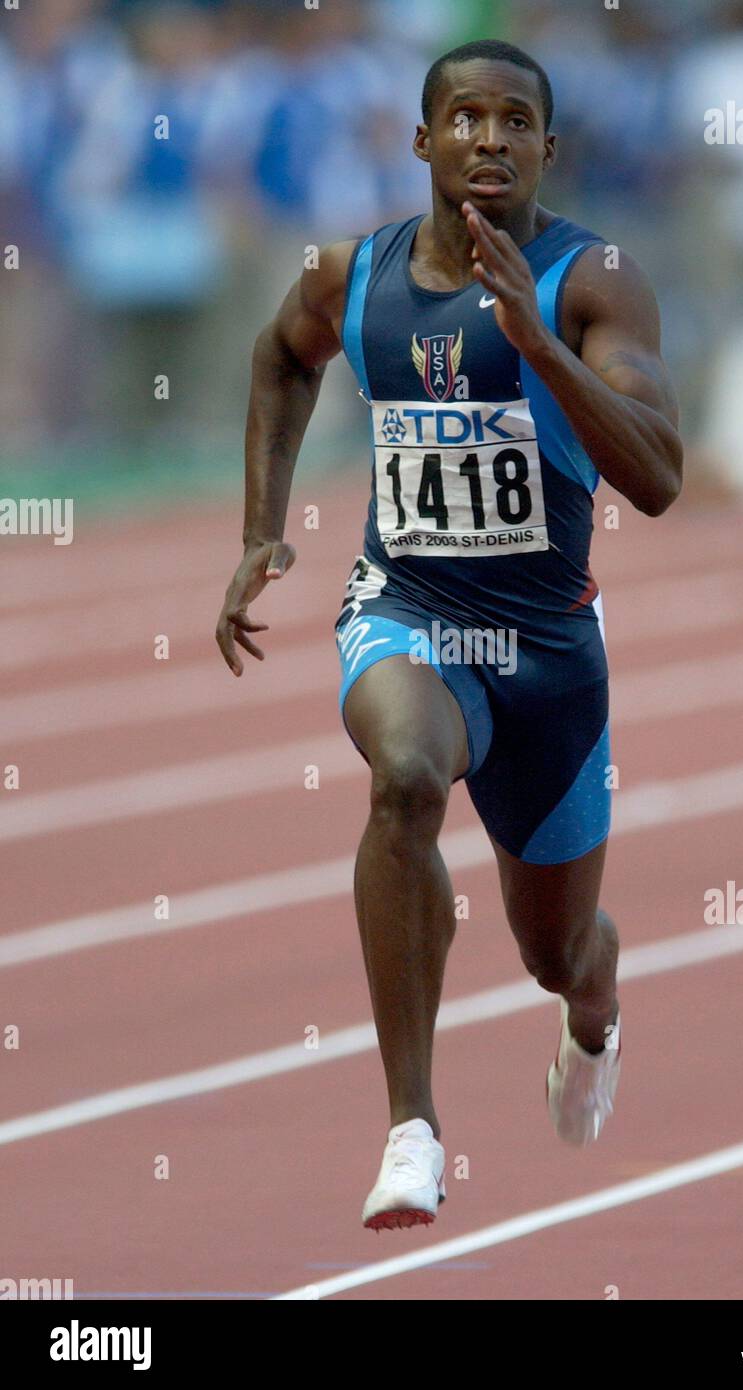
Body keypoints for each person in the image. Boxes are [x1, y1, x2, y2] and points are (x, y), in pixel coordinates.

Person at [215, 39, 683, 1232]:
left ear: (545, 148)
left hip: (547, 659)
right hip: (408, 613)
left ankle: (594, 1010)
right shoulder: (350, 275)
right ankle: (412, 1129)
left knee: (555, 951)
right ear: (421, 142)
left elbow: (660, 477)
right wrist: (262, 530)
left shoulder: (593, 281)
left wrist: (536, 347)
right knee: (403, 780)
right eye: (462, 117)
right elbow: (279, 356)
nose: (487, 138)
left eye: (513, 120)